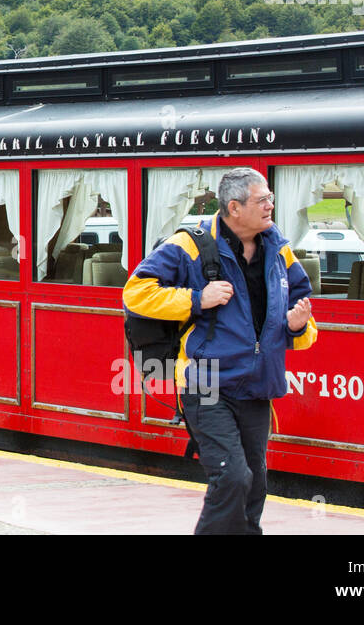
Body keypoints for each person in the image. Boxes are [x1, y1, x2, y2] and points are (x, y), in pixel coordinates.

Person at [122, 167, 318, 534]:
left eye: (271, 199)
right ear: (234, 207)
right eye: (262, 200)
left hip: (260, 384)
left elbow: (300, 306)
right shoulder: (191, 245)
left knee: (255, 483)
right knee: (231, 476)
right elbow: (135, 292)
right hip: (206, 382)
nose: (270, 206)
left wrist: (298, 325)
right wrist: (197, 298)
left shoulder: (279, 249)